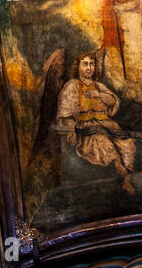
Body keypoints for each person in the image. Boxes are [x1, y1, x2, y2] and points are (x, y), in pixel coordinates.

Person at [55, 51, 136, 194]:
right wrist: (71, 129)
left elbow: (113, 101)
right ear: (78, 67)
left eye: (91, 64)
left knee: (128, 144)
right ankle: (123, 178)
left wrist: (98, 95)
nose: (89, 68)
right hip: (88, 127)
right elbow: (66, 108)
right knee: (106, 146)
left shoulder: (98, 86)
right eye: (85, 64)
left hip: (107, 125)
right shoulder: (73, 85)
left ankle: (126, 180)